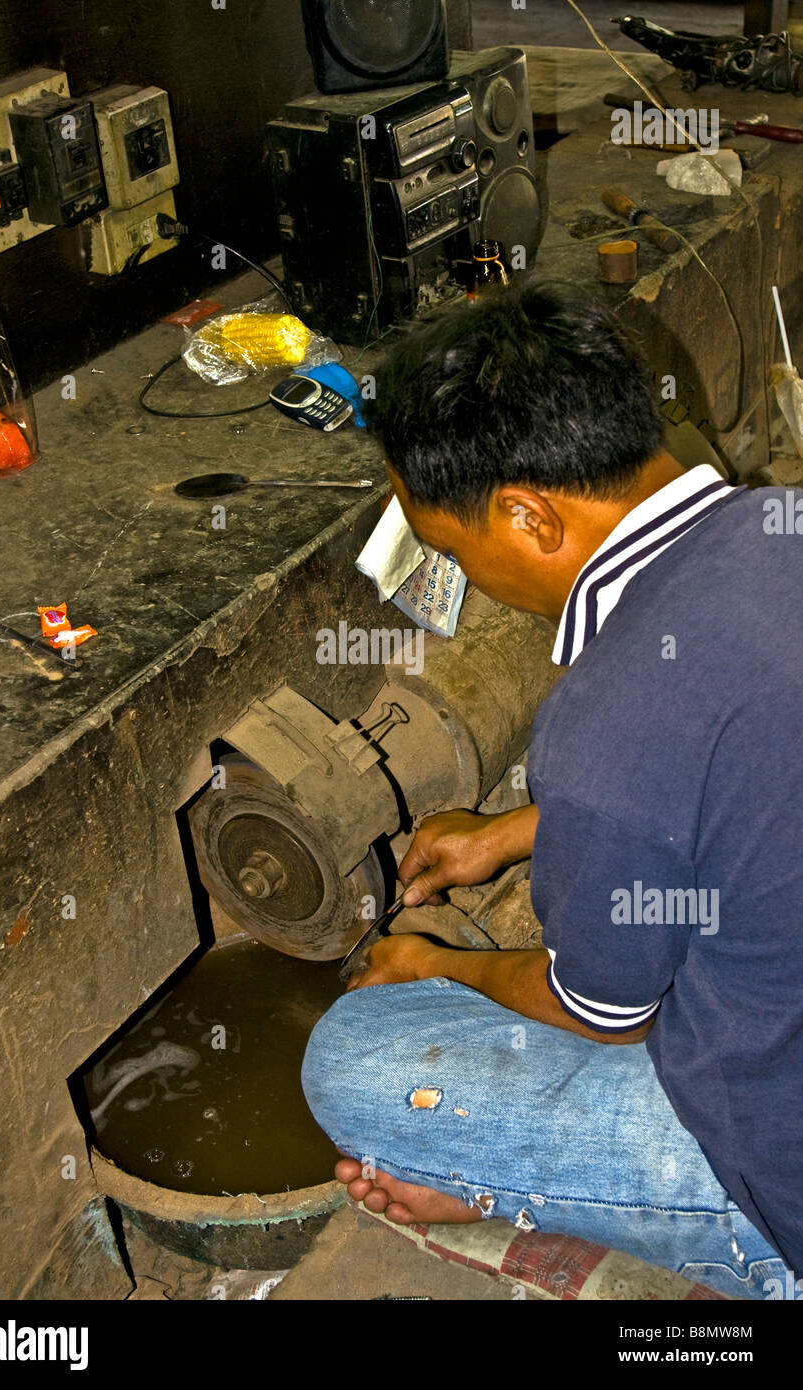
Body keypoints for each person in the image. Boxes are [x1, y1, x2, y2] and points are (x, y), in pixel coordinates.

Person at [301, 283, 803, 1299]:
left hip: (782, 1155)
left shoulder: (610, 719)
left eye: (449, 547)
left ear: (527, 514)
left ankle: (540, 1182)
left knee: (354, 1060)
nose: (463, 574)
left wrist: (439, 968)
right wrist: (518, 833)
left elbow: (597, 1011)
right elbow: (747, 765)